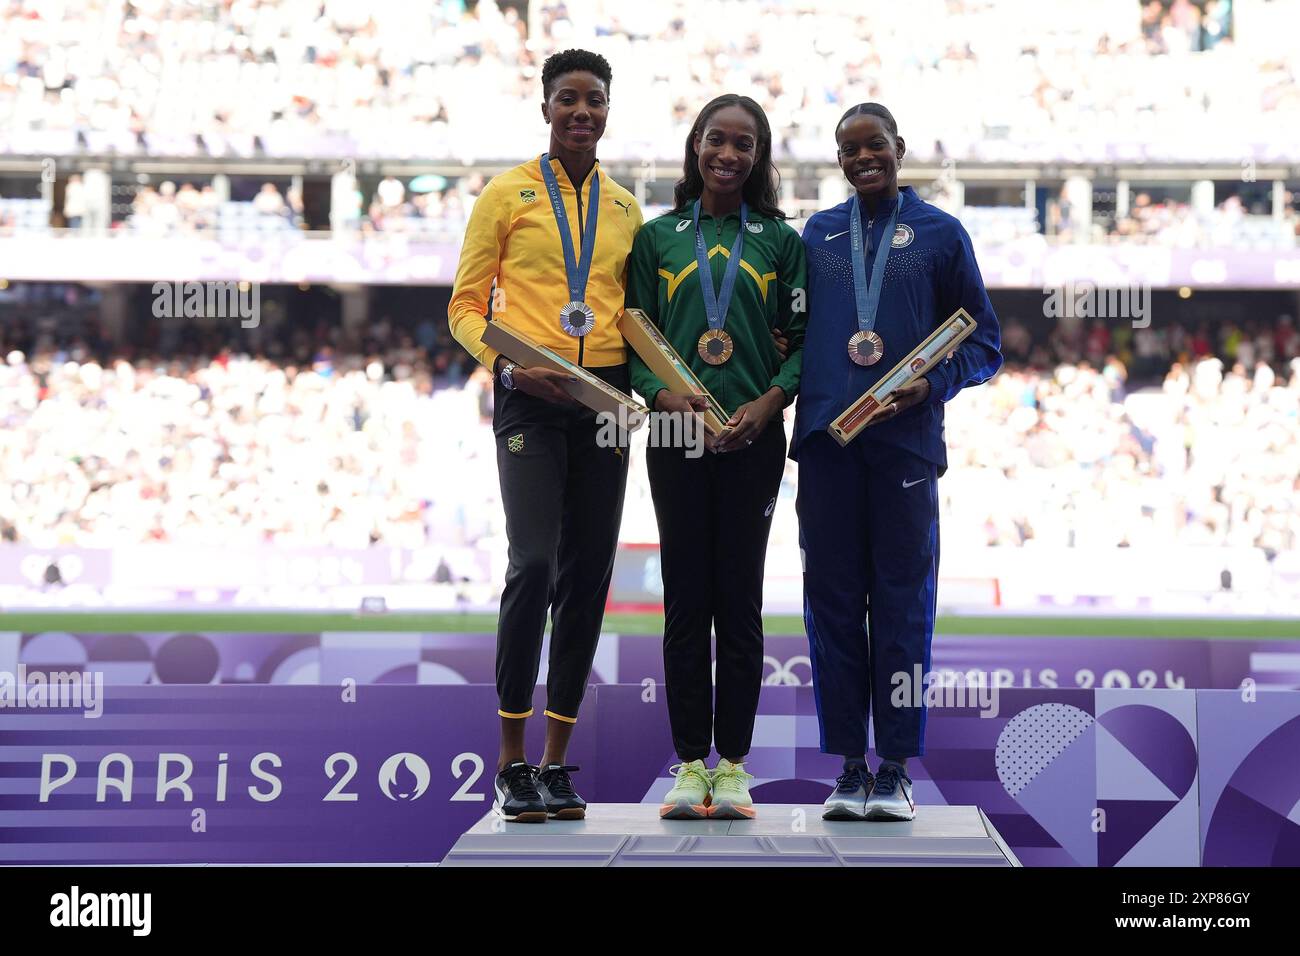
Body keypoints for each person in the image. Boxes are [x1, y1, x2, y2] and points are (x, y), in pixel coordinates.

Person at [447, 49, 643, 822]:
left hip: (605, 402)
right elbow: (464, 306)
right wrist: (505, 366)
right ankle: (510, 760)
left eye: (594, 99)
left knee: (588, 575)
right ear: (546, 109)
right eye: (568, 99)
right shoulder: (506, 193)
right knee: (533, 562)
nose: (582, 112)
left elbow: (636, 320)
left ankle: (558, 765)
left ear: (607, 110)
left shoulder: (627, 209)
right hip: (529, 396)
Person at [793, 103, 1002, 821]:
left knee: (904, 606)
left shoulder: (943, 234)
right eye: (849, 151)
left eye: (873, 146)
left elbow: (984, 344)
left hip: (906, 448)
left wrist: (930, 385)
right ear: (839, 160)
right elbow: (790, 334)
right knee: (833, 606)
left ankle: (897, 768)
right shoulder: (817, 234)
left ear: (899, 149)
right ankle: (850, 767)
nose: (862, 159)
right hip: (826, 446)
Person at [625, 94, 806, 820]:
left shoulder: (780, 241)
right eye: (716, 140)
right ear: (695, 146)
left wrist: (772, 402)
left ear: (758, 157)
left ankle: (733, 767)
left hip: (754, 441)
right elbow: (633, 341)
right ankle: (689, 764)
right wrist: (660, 399)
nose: (728, 155)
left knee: (740, 602)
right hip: (676, 440)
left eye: (743, 144)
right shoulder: (658, 238)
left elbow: (804, 345)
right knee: (684, 602)